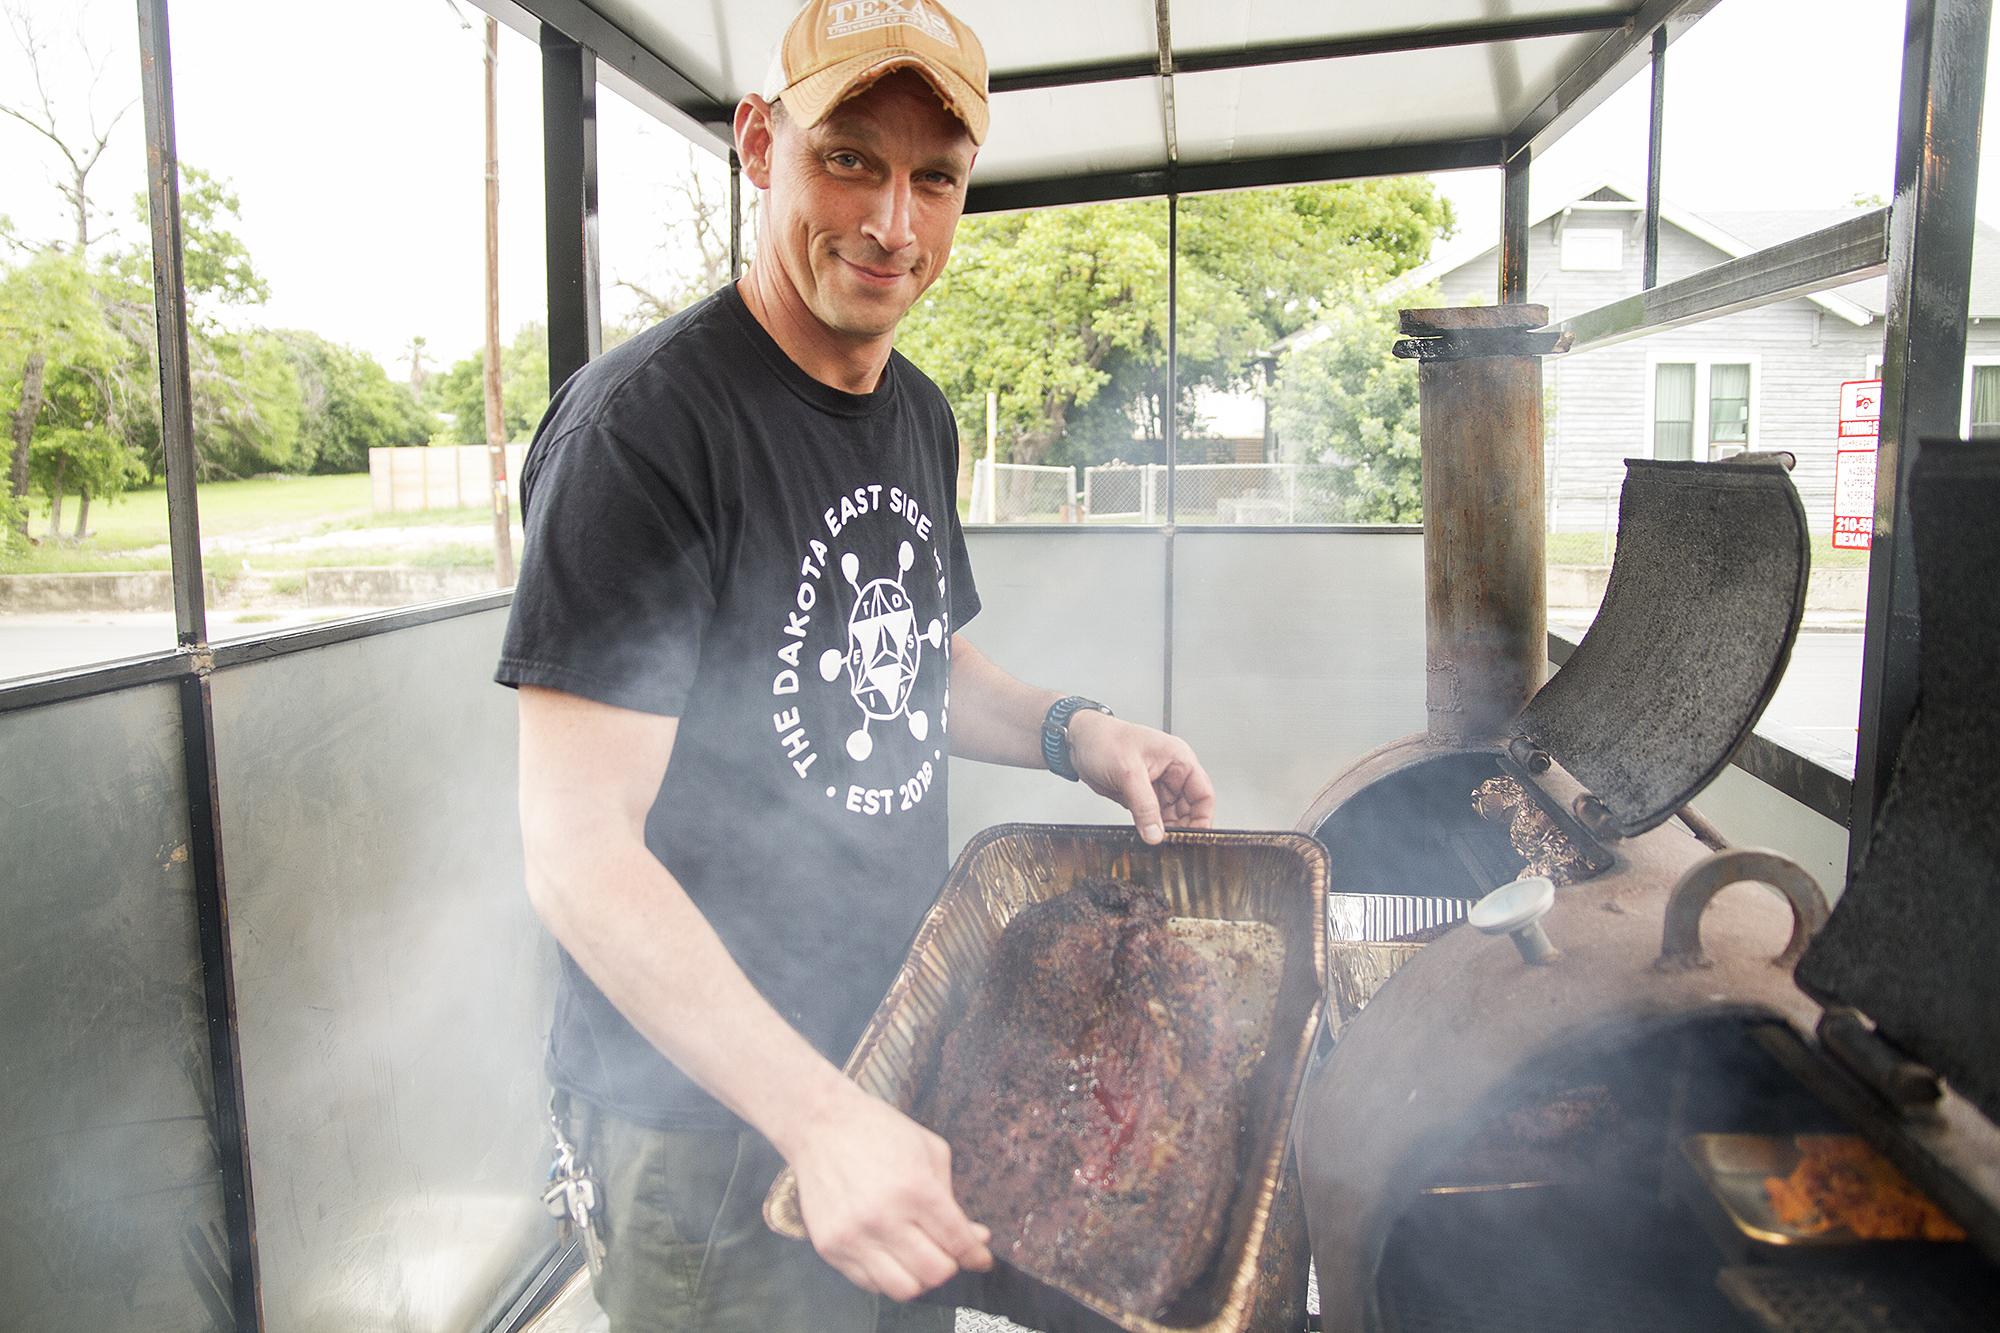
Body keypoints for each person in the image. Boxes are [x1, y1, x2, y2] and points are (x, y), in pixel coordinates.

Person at [496, 1, 1216, 1328]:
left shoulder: (916, 415)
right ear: (760, 143)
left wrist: (1078, 732)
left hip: (890, 1065)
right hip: (710, 1128)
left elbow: (905, 668)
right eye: (849, 158)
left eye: (933, 177)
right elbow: (575, 845)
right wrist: (815, 1118)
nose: (893, 222)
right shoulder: (647, 432)